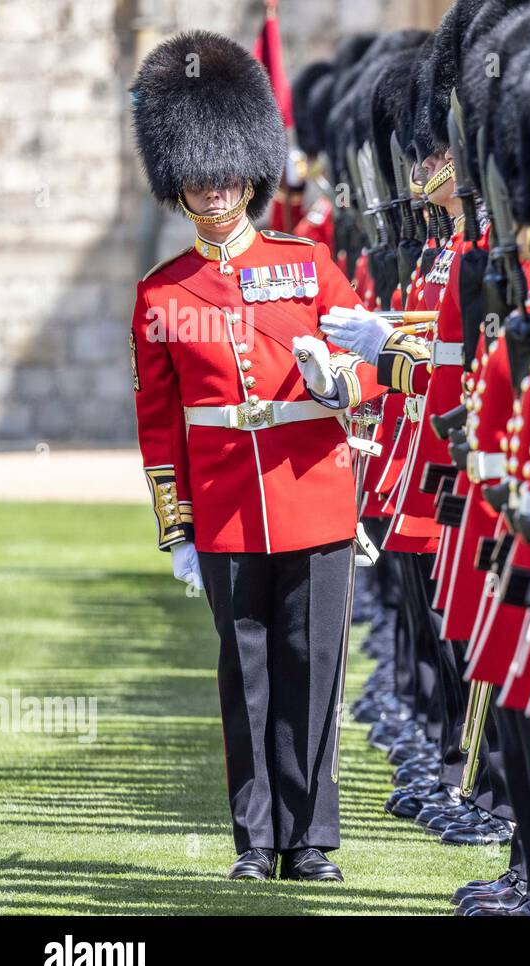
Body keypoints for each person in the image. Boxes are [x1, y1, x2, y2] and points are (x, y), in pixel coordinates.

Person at [129, 30, 384, 882]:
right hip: (228, 503)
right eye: (201, 175)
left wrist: (340, 375)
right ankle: (254, 841)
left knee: (312, 671)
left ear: (250, 170)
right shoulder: (162, 294)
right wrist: (178, 529)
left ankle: (309, 837)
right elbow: (160, 423)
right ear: (181, 183)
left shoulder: (307, 266)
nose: (216, 187)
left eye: (228, 172)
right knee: (246, 679)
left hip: (314, 492)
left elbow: (369, 369)